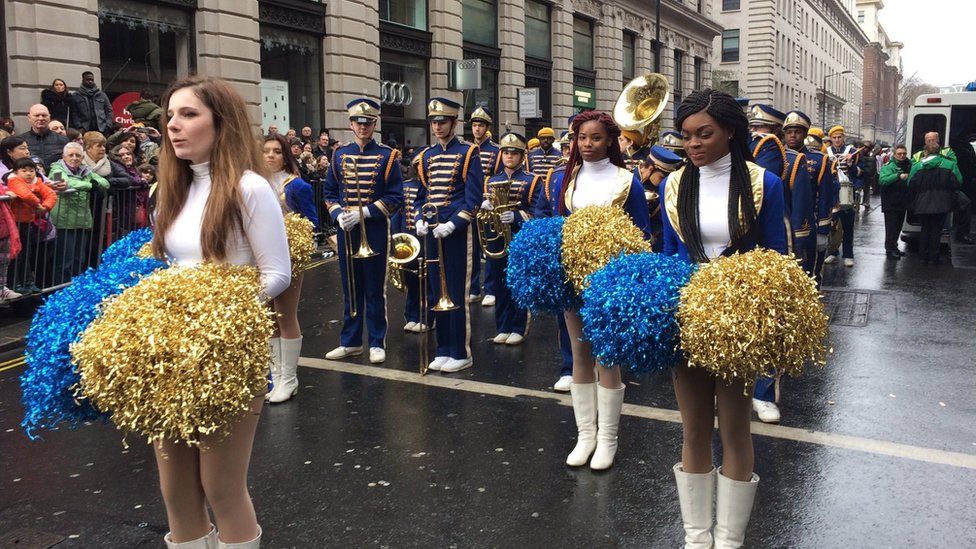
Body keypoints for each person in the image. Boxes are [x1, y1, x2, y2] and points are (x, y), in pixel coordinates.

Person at [149, 76, 290, 549]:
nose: (173, 125)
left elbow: (277, 273)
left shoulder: (250, 188)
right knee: (175, 490)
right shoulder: (169, 189)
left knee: (221, 487)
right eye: (170, 115)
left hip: (226, 353)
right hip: (171, 355)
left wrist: (218, 312)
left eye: (188, 114)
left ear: (221, 122)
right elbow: (169, 266)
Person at [661, 89, 787, 548]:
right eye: (687, 135)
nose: (693, 144)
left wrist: (756, 310)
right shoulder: (672, 184)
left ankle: (729, 539)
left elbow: (777, 256)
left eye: (704, 134)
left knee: (734, 425)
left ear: (730, 131)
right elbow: (669, 254)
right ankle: (697, 538)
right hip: (689, 316)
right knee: (693, 427)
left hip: (738, 320)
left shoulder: (762, 183)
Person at [553, 111, 651, 471]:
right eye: (581, 138)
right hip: (573, 278)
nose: (587, 145)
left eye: (595, 138)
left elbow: (642, 233)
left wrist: (628, 275)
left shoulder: (628, 181)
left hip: (611, 280)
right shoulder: (568, 178)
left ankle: (608, 439)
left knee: (606, 359)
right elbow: (557, 227)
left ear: (610, 140)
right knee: (579, 355)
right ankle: (585, 436)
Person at [324, 98, 404, 365]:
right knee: (350, 287)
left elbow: (395, 197)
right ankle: (350, 341)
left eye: (368, 123)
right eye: (359, 123)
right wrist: (338, 215)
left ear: (374, 125)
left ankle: (376, 341)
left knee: (373, 288)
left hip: (375, 228)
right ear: (351, 124)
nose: (363, 127)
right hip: (348, 231)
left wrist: (364, 213)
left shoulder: (387, 155)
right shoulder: (339, 154)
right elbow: (329, 192)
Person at [413, 97, 482, 373]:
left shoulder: (468, 153)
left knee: (454, 290)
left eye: (442, 121)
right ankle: (442, 348)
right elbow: (420, 196)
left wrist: (453, 224)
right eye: (434, 121)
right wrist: (419, 218)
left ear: (454, 122)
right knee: (435, 291)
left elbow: (473, 198)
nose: (437, 126)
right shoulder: (425, 156)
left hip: (455, 231)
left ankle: (460, 351)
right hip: (431, 230)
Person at [263, 134, 319, 403]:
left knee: (285, 314)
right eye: (266, 151)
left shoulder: (296, 186)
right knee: (268, 318)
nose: (271, 156)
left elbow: (311, 222)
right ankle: (276, 377)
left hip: (288, 257)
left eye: (276, 151)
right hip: (261, 259)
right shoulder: (257, 185)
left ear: (286, 155)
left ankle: (289, 378)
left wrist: (294, 240)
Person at [482, 132, 540, 345]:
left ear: (522, 156)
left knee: (517, 283)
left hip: (518, 237)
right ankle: (502, 326)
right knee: (499, 283)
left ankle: (518, 326)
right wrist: (484, 206)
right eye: (506, 153)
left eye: (514, 153)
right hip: (496, 237)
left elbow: (537, 211)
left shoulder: (532, 180)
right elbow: (479, 207)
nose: (509, 157)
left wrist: (516, 216)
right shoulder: (490, 180)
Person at [48, 142, 109, 284]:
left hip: (82, 221)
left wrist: (92, 184)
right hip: (63, 222)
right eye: (71, 155)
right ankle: (62, 291)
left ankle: (77, 291)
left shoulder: (85, 170)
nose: (74, 158)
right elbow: (64, 182)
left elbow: (105, 183)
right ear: (63, 157)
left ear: (82, 157)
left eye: (78, 155)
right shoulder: (56, 169)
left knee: (79, 260)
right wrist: (90, 185)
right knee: (64, 262)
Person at [783, 111, 833, 280]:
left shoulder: (819, 160)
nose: (793, 136)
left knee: (808, 274)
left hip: (807, 225)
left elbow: (825, 197)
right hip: (782, 223)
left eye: (797, 132)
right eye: (789, 132)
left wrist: (823, 231)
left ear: (805, 134)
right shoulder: (777, 157)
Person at [908, 132, 963, 264]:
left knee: (925, 230)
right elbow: (958, 182)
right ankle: (934, 257)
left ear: (925, 152)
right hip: (942, 203)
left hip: (922, 203)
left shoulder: (917, 166)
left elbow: (910, 184)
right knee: (936, 231)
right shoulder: (949, 165)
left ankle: (922, 257)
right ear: (940, 152)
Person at [6, 157, 58, 293]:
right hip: (14, 224)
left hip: (28, 224)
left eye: (32, 170)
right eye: (24, 171)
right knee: (16, 255)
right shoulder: (13, 180)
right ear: (16, 172)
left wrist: (45, 207)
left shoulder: (37, 181)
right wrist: (38, 204)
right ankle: (15, 283)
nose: (29, 174)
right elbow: (25, 194)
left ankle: (27, 282)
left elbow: (51, 194)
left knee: (27, 254)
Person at [469, 106, 501, 305]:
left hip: (489, 203)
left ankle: (490, 288)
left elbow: (498, 179)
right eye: (474, 125)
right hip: (472, 202)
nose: (477, 129)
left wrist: (491, 200)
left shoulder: (496, 151)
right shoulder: (468, 149)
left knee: (490, 246)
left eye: (481, 125)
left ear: (487, 127)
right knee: (471, 247)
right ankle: (472, 288)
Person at [392, 152, 426, 332]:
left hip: (426, 238)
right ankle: (412, 315)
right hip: (408, 238)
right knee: (411, 279)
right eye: (417, 166)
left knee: (427, 280)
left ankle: (427, 316)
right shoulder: (405, 187)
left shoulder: (431, 188)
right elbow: (397, 214)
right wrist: (395, 238)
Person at [824, 126, 861, 267]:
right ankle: (832, 253)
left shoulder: (852, 152)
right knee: (832, 226)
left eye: (839, 137)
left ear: (843, 138)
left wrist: (851, 165)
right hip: (832, 194)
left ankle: (848, 254)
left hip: (847, 193)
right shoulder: (825, 152)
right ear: (831, 139)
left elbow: (861, 172)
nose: (837, 140)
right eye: (834, 137)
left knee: (847, 226)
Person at [637, 145, 684, 252]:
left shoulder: (667, 185)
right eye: (662, 177)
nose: (664, 182)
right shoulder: (630, 182)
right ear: (650, 169)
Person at [878, 144, 912, 259]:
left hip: (903, 201)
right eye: (899, 154)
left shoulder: (909, 164)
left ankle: (894, 246)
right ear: (894, 154)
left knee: (898, 227)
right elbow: (882, 180)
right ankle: (889, 249)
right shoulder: (889, 166)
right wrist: (897, 176)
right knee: (891, 228)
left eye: (904, 153)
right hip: (890, 202)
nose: (902, 156)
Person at [19, 104, 69, 170]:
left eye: (44, 115)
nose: (41, 118)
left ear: (49, 117)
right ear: (29, 118)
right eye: (37, 115)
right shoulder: (21, 141)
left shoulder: (63, 140)